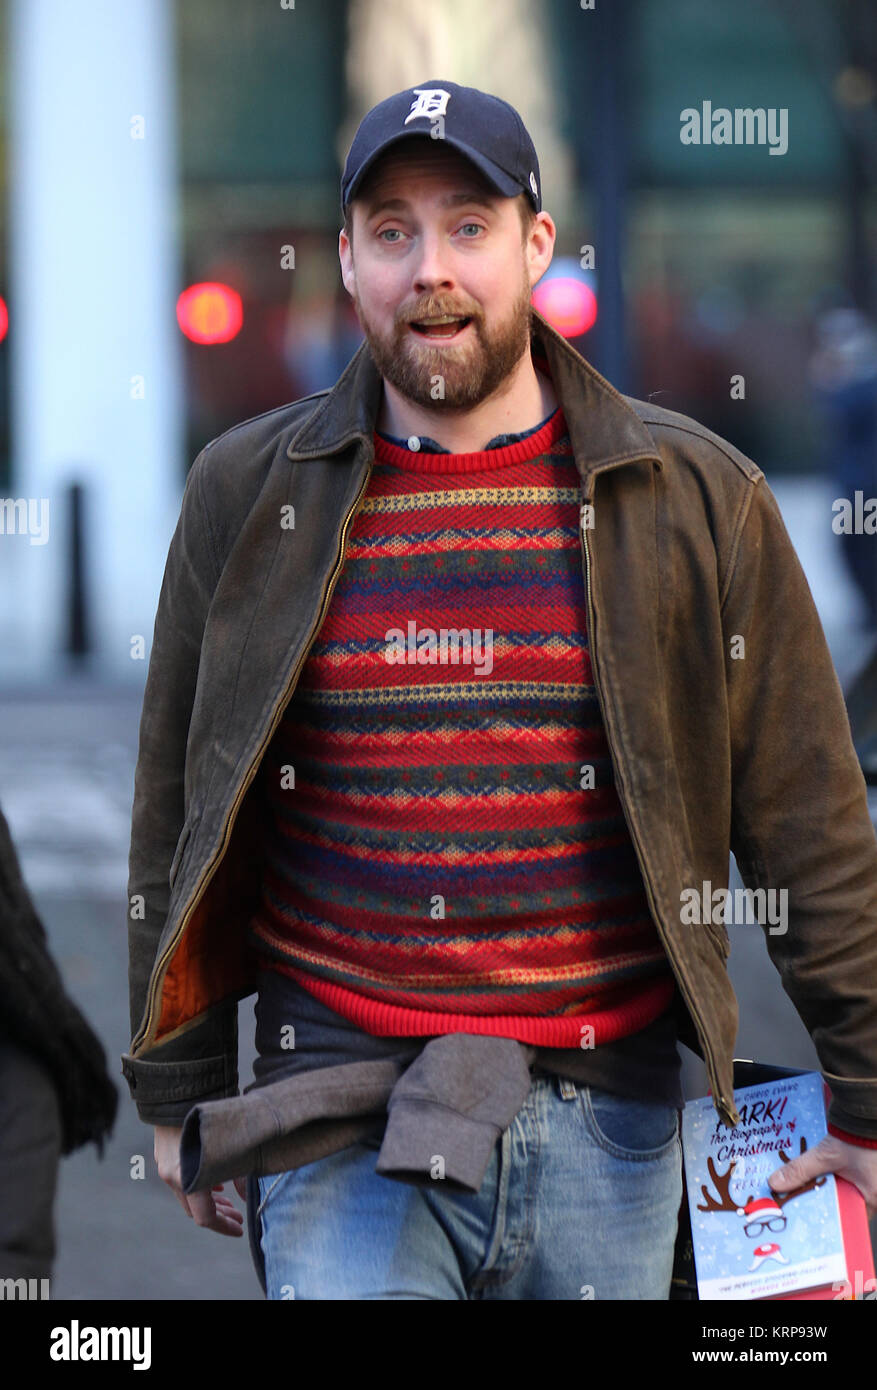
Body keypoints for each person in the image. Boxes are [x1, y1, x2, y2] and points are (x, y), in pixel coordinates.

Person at [123, 80, 877, 1301]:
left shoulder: (696, 499)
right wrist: (179, 1081)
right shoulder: (244, 491)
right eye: (392, 231)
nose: (432, 269)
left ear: (534, 244)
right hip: (338, 1117)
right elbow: (174, 797)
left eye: (468, 225)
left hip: (609, 1119)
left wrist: (866, 1096)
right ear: (348, 262)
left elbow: (809, 824)